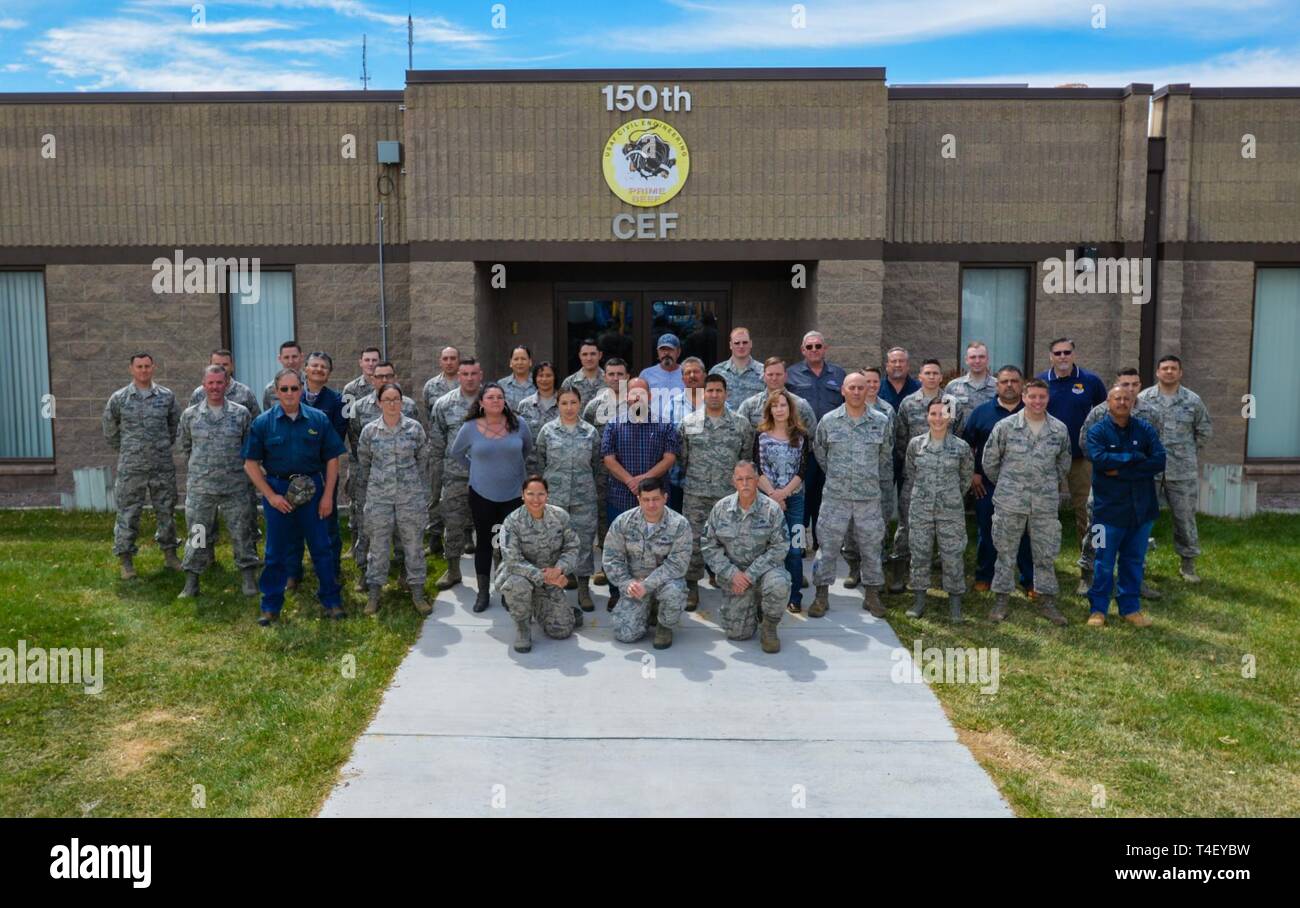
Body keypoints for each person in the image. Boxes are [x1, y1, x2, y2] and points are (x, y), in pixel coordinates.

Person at [242, 368, 346, 625]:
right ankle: (271, 607)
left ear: (301, 389)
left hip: (313, 490)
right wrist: (270, 496)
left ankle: (332, 601)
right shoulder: (264, 423)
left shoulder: (318, 419)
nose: (289, 394)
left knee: (322, 548)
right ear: (276, 392)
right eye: (284, 389)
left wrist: (328, 497)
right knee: (275, 552)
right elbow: (250, 464)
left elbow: (332, 459)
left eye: (294, 388)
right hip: (278, 493)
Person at [982, 378, 1072, 626]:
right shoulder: (1006, 426)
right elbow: (990, 461)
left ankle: (1046, 600)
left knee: (1045, 553)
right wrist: (1009, 483)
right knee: (1005, 552)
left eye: (1042, 397)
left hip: (1044, 503)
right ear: (1024, 397)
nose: (1037, 401)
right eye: (1032, 396)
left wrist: (1045, 483)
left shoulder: (1059, 430)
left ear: (1048, 398)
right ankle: (1001, 599)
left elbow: (1063, 464)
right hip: (1011, 501)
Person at [810, 372, 893, 618]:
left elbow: (884, 455)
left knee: (871, 547)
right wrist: (840, 476)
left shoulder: (881, 420)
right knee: (827, 548)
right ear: (843, 391)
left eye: (861, 387)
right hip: (836, 497)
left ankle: (872, 595)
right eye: (852, 388)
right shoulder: (829, 421)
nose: (857, 392)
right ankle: (821, 595)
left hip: (868, 498)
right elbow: (820, 452)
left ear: (868, 390)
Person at [176, 365, 259, 599]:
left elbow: (249, 448)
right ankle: (192, 580)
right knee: (198, 534)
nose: (215, 387)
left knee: (242, 533)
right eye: (210, 383)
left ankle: (248, 578)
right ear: (204, 385)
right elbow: (186, 447)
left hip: (235, 487)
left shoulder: (241, 414)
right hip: (202, 489)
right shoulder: (190, 415)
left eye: (219, 383)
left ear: (226, 384)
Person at [1086, 385, 1166, 628]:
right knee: (1102, 562)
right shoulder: (1097, 431)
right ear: (1108, 402)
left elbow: (1159, 460)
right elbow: (1099, 461)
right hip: (1105, 513)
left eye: (1126, 398)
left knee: (1133, 561)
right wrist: (1134, 457)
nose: (1122, 402)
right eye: (1117, 398)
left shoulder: (1145, 430)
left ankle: (1130, 608)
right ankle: (1098, 610)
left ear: (1133, 402)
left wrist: (1118, 469)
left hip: (1141, 511)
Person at [452, 382, 533, 613]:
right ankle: (483, 593)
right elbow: (456, 453)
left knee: (509, 545)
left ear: (505, 401)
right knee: (485, 544)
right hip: (481, 494)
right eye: (490, 397)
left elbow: (527, 449)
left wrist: (512, 468)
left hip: (513, 495)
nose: (496, 401)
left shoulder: (519, 425)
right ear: (481, 403)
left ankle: (509, 590)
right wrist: (475, 468)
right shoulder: (469, 428)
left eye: (499, 397)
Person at [1077, 367, 1159, 595]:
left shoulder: (1150, 414)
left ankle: (1134, 579)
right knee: (1098, 528)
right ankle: (1089, 575)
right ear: (1115, 385)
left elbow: (1155, 449)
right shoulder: (1098, 413)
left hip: (1137, 485)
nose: (1129, 389)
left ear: (1140, 386)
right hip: (1106, 484)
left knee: (1136, 530)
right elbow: (1086, 445)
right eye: (1125, 384)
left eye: (1134, 385)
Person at [601, 378, 681, 609]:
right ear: (626, 397)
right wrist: (630, 480)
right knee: (619, 547)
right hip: (621, 495)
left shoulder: (664, 425)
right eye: (633, 394)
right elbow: (608, 458)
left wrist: (645, 481)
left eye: (642, 394)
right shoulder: (614, 424)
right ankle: (617, 591)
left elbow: (670, 457)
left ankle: (657, 593)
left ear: (650, 397)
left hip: (653, 499)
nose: (637, 398)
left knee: (658, 548)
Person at [102, 352, 183, 579]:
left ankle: (170, 555)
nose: (144, 370)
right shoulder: (119, 398)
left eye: (147, 366)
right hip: (132, 467)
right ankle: (126, 561)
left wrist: (160, 445)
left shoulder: (166, 396)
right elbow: (109, 429)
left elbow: (175, 425)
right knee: (128, 513)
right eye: (139, 367)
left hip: (161, 465)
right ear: (131, 369)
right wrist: (129, 448)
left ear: (153, 368)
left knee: (166, 511)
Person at [889, 359, 967, 592]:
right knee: (906, 525)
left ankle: (943, 573)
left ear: (941, 377)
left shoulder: (951, 403)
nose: (932, 377)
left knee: (946, 529)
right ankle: (899, 571)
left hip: (946, 476)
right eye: (927, 373)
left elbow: (958, 432)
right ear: (920, 376)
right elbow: (901, 438)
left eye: (936, 373)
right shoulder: (908, 403)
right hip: (916, 474)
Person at [679, 374, 754, 609]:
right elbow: (683, 458)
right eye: (709, 391)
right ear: (703, 394)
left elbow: (746, 459)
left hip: (728, 495)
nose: (713, 395)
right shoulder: (689, 422)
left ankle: (730, 580)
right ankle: (692, 584)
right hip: (696, 493)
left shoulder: (741, 424)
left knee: (730, 540)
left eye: (718, 391)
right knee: (693, 541)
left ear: (726, 394)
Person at [357, 382, 432, 617]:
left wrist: (419, 491)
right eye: (387, 399)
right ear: (379, 403)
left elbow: (423, 461)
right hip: (379, 498)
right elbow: (364, 463)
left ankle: (418, 593)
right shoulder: (370, 431)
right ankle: (374, 594)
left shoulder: (414, 429)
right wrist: (374, 490)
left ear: (402, 402)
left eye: (396, 399)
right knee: (378, 547)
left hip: (410, 498)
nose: (392, 403)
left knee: (414, 547)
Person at [1137, 355, 1213, 583]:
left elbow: (1204, 432)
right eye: (1165, 368)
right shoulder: (1144, 399)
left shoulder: (1193, 400)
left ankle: (1188, 565)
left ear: (1180, 373)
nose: (1169, 372)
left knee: (1185, 518)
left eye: (1173, 368)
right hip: (1150, 472)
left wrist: (1185, 452)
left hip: (1181, 472)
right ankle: (1138, 562)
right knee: (1141, 518)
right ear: (1158, 372)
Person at [701, 461, 791, 652]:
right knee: (737, 634)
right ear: (734, 482)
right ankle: (754, 605)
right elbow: (709, 545)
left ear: (757, 480)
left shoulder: (771, 509)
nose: (745, 483)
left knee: (779, 583)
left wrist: (750, 574)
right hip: (734, 578)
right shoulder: (721, 509)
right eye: (740, 479)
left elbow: (780, 547)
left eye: (749, 478)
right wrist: (732, 573)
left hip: (764, 573)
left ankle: (769, 626)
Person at [347, 362, 421, 592]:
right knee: (373, 538)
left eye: (389, 375)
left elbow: (421, 458)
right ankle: (370, 582)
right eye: (380, 376)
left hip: (407, 493)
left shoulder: (413, 419)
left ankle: (408, 579)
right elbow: (363, 458)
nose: (392, 403)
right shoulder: (363, 416)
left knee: (409, 540)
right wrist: (369, 487)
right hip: (377, 491)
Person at [962, 366, 1035, 596]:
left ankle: (1029, 579)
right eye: (1005, 381)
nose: (1010, 385)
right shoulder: (982, 413)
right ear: (997, 385)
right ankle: (985, 575)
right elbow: (966, 446)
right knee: (988, 530)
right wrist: (973, 473)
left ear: (1022, 385)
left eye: (1014, 381)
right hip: (988, 484)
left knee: (1025, 533)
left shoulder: (1033, 411)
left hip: (1024, 486)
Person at [904, 398, 974, 622]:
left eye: (942, 414)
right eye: (933, 414)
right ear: (927, 416)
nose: (938, 419)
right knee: (920, 554)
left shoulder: (961, 447)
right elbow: (911, 472)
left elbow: (965, 478)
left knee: (953, 555)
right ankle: (919, 601)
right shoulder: (916, 445)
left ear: (950, 417)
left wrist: (950, 496)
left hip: (950, 510)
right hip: (921, 509)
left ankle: (955, 604)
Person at [1036, 337, 1108, 556]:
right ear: (1051, 357)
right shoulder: (1041, 382)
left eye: (1067, 352)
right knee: (1043, 512)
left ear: (1073, 354)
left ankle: (1093, 562)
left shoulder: (1091, 381)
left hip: (1082, 458)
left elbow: (1104, 413)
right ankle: (1043, 562)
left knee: (1091, 512)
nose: (1062, 357)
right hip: (1049, 459)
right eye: (1057, 353)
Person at [602, 477, 692, 648]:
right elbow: (611, 558)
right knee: (625, 635)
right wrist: (627, 583)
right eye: (646, 499)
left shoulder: (679, 524)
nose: (651, 504)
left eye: (656, 499)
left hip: (664, 583)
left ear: (665, 498)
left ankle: (665, 626)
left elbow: (678, 564)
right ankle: (649, 609)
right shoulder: (623, 522)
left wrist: (648, 585)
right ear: (639, 499)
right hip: (635, 585)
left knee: (674, 591)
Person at [497, 476, 582, 653]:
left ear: (547, 495)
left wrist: (559, 569)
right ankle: (523, 627)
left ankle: (543, 605)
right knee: (517, 584)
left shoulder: (560, 516)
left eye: (540, 494)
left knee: (562, 630)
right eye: (530, 494)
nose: (536, 499)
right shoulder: (511, 522)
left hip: (552, 575)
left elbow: (573, 547)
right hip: (521, 575)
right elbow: (512, 561)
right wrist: (545, 577)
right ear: (522, 495)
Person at [535, 388, 601, 612]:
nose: (569, 407)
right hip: (555, 498)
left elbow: (597, 465)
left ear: (580, 404)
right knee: (553, 543)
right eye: (564, 403)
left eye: (573, 402)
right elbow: (539, 461)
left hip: (584, 497)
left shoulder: (590, 432)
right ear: (558, 405)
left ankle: (583, 587)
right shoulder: (547, 431)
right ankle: (554, 589)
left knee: (583, 541)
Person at [785, 331, 846, 550]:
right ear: (803, 350)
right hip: (801, 450)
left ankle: (822, 544)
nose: (814, 350)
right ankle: (798, 545)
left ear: (825, 348)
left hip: (831, 450)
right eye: (809, 347)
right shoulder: (791, 375)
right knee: (800, 501)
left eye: (818, 346)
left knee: (825, 500)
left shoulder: (839, 375)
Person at [754, 390, 811, 613]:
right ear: (770, 410)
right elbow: (757, 467)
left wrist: (784, 494)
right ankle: (764, 594)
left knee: (795, 550)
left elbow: (803, 469)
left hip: (794, 499)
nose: (779, 409)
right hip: (767, 500)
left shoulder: (801, 435)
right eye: (775, 405)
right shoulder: (761, 435)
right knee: (766, 547)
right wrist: (773, 496)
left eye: (783, 405)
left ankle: (795, 596)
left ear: (790, 409)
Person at [842, 366, 898, 589]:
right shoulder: (842, 413)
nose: (872, 386)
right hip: (850, 481)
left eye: (875, 382)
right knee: (851, 527)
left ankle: (874, 569)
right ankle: (854, 568)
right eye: (868, 382)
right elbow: (823, 452)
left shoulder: (887, 411)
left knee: (877, 525)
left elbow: (889, 446)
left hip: (878, 479)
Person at [430, 357, 484, 589]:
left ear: (480, 375)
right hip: (455, 475)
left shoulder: (492, 400)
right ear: (459, 376)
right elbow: (438, 444)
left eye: (474, 373)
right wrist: (437, 476)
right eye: (465, 374)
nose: (470, 378)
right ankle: (452, 570)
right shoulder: (444, 404)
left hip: (487, 476)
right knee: (452, 525)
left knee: (490, 526)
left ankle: (496, 571)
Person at [582, 356, 629, 583]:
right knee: (604, 521)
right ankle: (604, 566)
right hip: (602, 474)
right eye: (611, 374)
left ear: (627, 376)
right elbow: (587, 438)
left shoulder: (636, 404)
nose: (615, 378)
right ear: (605, 376)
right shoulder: (594, 406)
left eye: (620, 374)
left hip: (631, 472)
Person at [302, 351, 347, 576]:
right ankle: (294, 571)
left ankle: (332, 568)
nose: (319, 369)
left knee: (327, 518)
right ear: (306, 369)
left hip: (323, 470)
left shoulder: (337, 401)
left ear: (328, 374)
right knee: (295, 520)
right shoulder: (292, 396)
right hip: (293, 469)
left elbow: (337, 436)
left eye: (324, 367)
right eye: (315, 365)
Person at [735, 356, 818, 434]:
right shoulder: (749, 406)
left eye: (778, 374)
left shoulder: (800, 405)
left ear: (786, 376)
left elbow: (812, 437)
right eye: (770, 375)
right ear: (764, 376)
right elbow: (739, 433)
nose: (774, 378)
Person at [188, 349, 260, 417]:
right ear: (210, 366)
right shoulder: (199, 393)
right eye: (217, 364)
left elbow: (255, 423)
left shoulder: (245, 393)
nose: (221, 368)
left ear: (232, 367)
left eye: (225, 364)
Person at [516, 361, 560, 471]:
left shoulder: (564, 403)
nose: (544, 379)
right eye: (540, 376)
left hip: (558, 467)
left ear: (555, 378)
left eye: (548, 375)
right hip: (530, 467)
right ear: (535, 378)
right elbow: (517, 436)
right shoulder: (524, 405)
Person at [709, 326, 765, 407]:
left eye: (745, 342)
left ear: (751, 344)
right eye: (737, 343)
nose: (741, 346)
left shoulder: (763, 372)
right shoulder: (716, 372)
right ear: (730, 345)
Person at [946, 341, 999, 410]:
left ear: (987, 359)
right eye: (973, 357)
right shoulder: (952, 387)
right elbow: (946, 416)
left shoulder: (999, 386)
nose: (977, 361)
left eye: (981, 357)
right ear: (966, 360)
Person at [560, 338, 605, 408]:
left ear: (600, 355)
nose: (589, 358)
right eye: (585, 354)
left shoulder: (610, 380)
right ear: (579, 356)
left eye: (593, 354)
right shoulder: (569, 382)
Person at [261, 340, 305, 411]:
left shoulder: (310, 385)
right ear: (280, 359)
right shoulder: (270, 389)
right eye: (286, 357)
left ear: (302, 357)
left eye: (294, 357)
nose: (291, 361)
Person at [421, 346, 461, 418]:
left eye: (453, 358)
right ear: (440, 362)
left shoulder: (468, 384)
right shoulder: (430, 386)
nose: (449, 362)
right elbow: (428, 414)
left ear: (459, 361)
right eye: (445, 359)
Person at [879, 346, 920, 412]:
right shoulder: (877, 388)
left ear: (908, 365)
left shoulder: (919, 388)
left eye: (901, 361)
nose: (897, 365)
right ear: (887, 366)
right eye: (893, 361)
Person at [498, 345, 537, 412]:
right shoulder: (502, 384)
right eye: (516, 359)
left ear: (530, 362)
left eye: (523, 359)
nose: (520, 362)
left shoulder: (538, 382)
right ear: (510, 362)